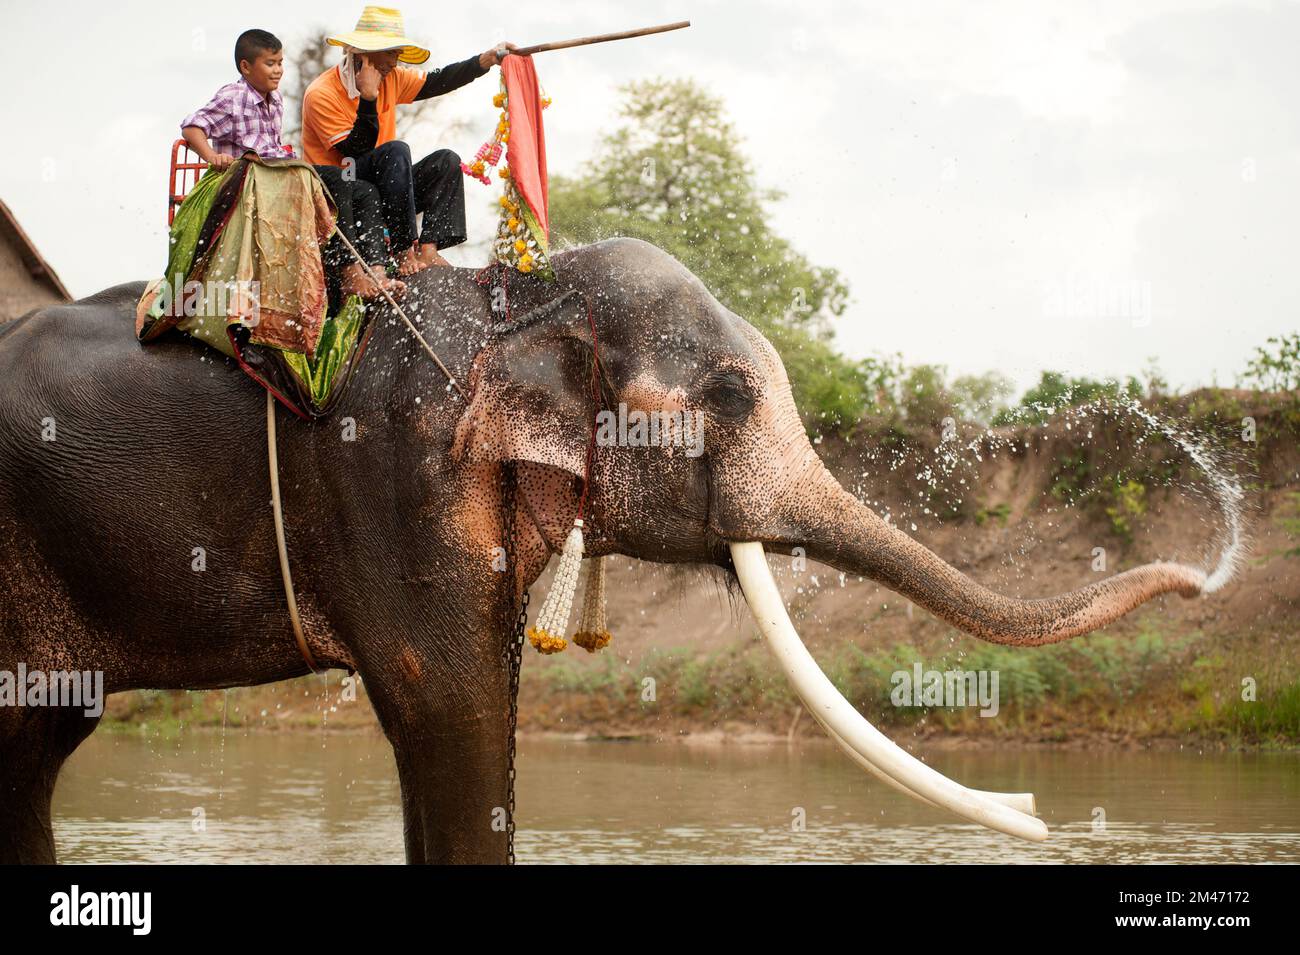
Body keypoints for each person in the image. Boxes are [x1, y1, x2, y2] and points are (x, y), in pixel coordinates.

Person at [180, 28, 403, 302]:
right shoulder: (233, 96)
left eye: (280, 63)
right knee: (337, 178)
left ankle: (377, 272)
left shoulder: (275, 100)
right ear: (246, 67)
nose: (278, 71)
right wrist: (212, 156)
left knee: (365, 191)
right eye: (270, 64)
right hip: (254, 181)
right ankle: (349, 272)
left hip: (280, 176)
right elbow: (192, 127)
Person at [301, 6, 517, 275]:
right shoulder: (322, 93)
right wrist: (368, 98)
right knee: (395, 151)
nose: (395, 60)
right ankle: (405, 252)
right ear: (365, 53)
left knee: (445, 161)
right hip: (345, 186)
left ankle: (428, 250)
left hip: (387, 185)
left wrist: (483, 61)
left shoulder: (392, 77)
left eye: (398, 52)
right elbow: (355, 153)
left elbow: (438, 81)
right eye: (391, 52)